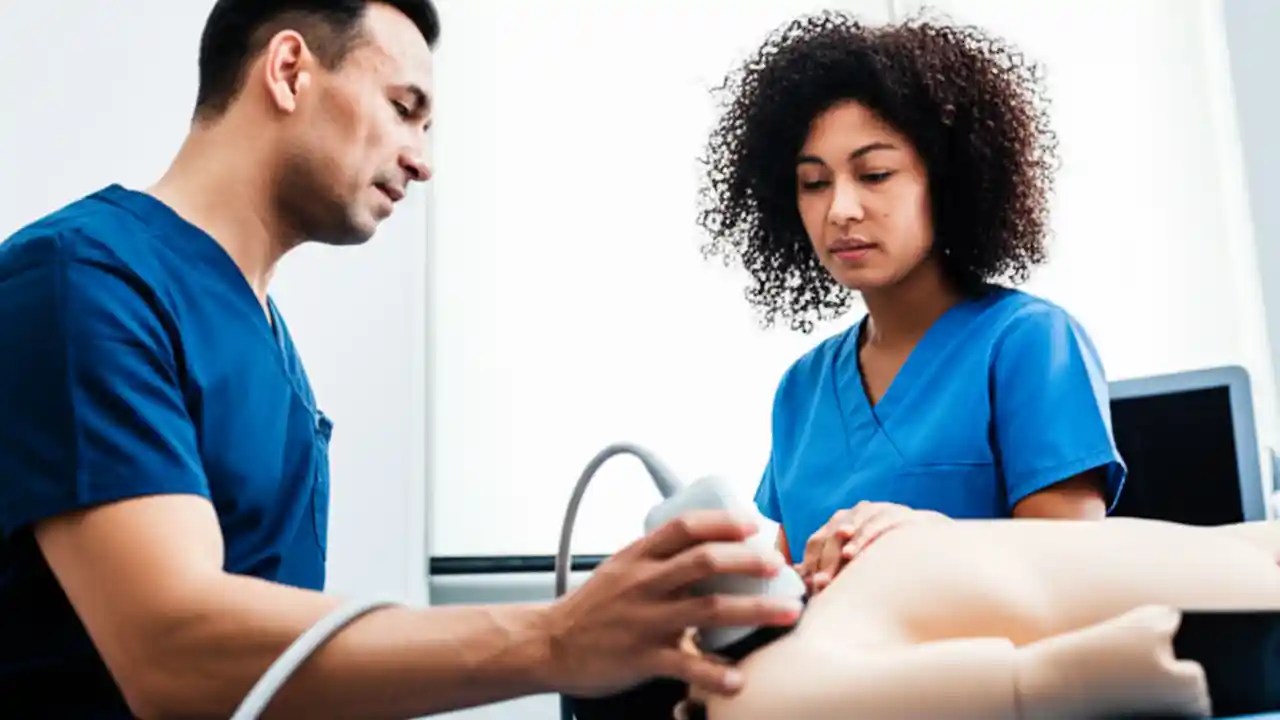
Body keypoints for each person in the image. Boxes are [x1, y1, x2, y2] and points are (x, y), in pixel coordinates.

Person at [0, 2, 802, 717]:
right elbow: (170, 651)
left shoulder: (269, 344)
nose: (422, 161)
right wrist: (554, 640)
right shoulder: (83, 280)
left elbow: (279, 674)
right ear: (288, 71)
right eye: (404, 108)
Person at [695, 10, 1128, 593]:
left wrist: (926, 541)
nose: (840, 209)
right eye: (814, 183)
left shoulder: (1028, 342)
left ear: (945, 183)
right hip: (834, 678)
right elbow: (791, 586)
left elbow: (1076, 572)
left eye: (874, 174)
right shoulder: (802, 388)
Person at [632, 515, 1280, 720]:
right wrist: (1081, 675)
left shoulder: (799, 633)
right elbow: (1036, 681)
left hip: (1199, 551)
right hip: (1219, 587)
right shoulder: (761, 689)